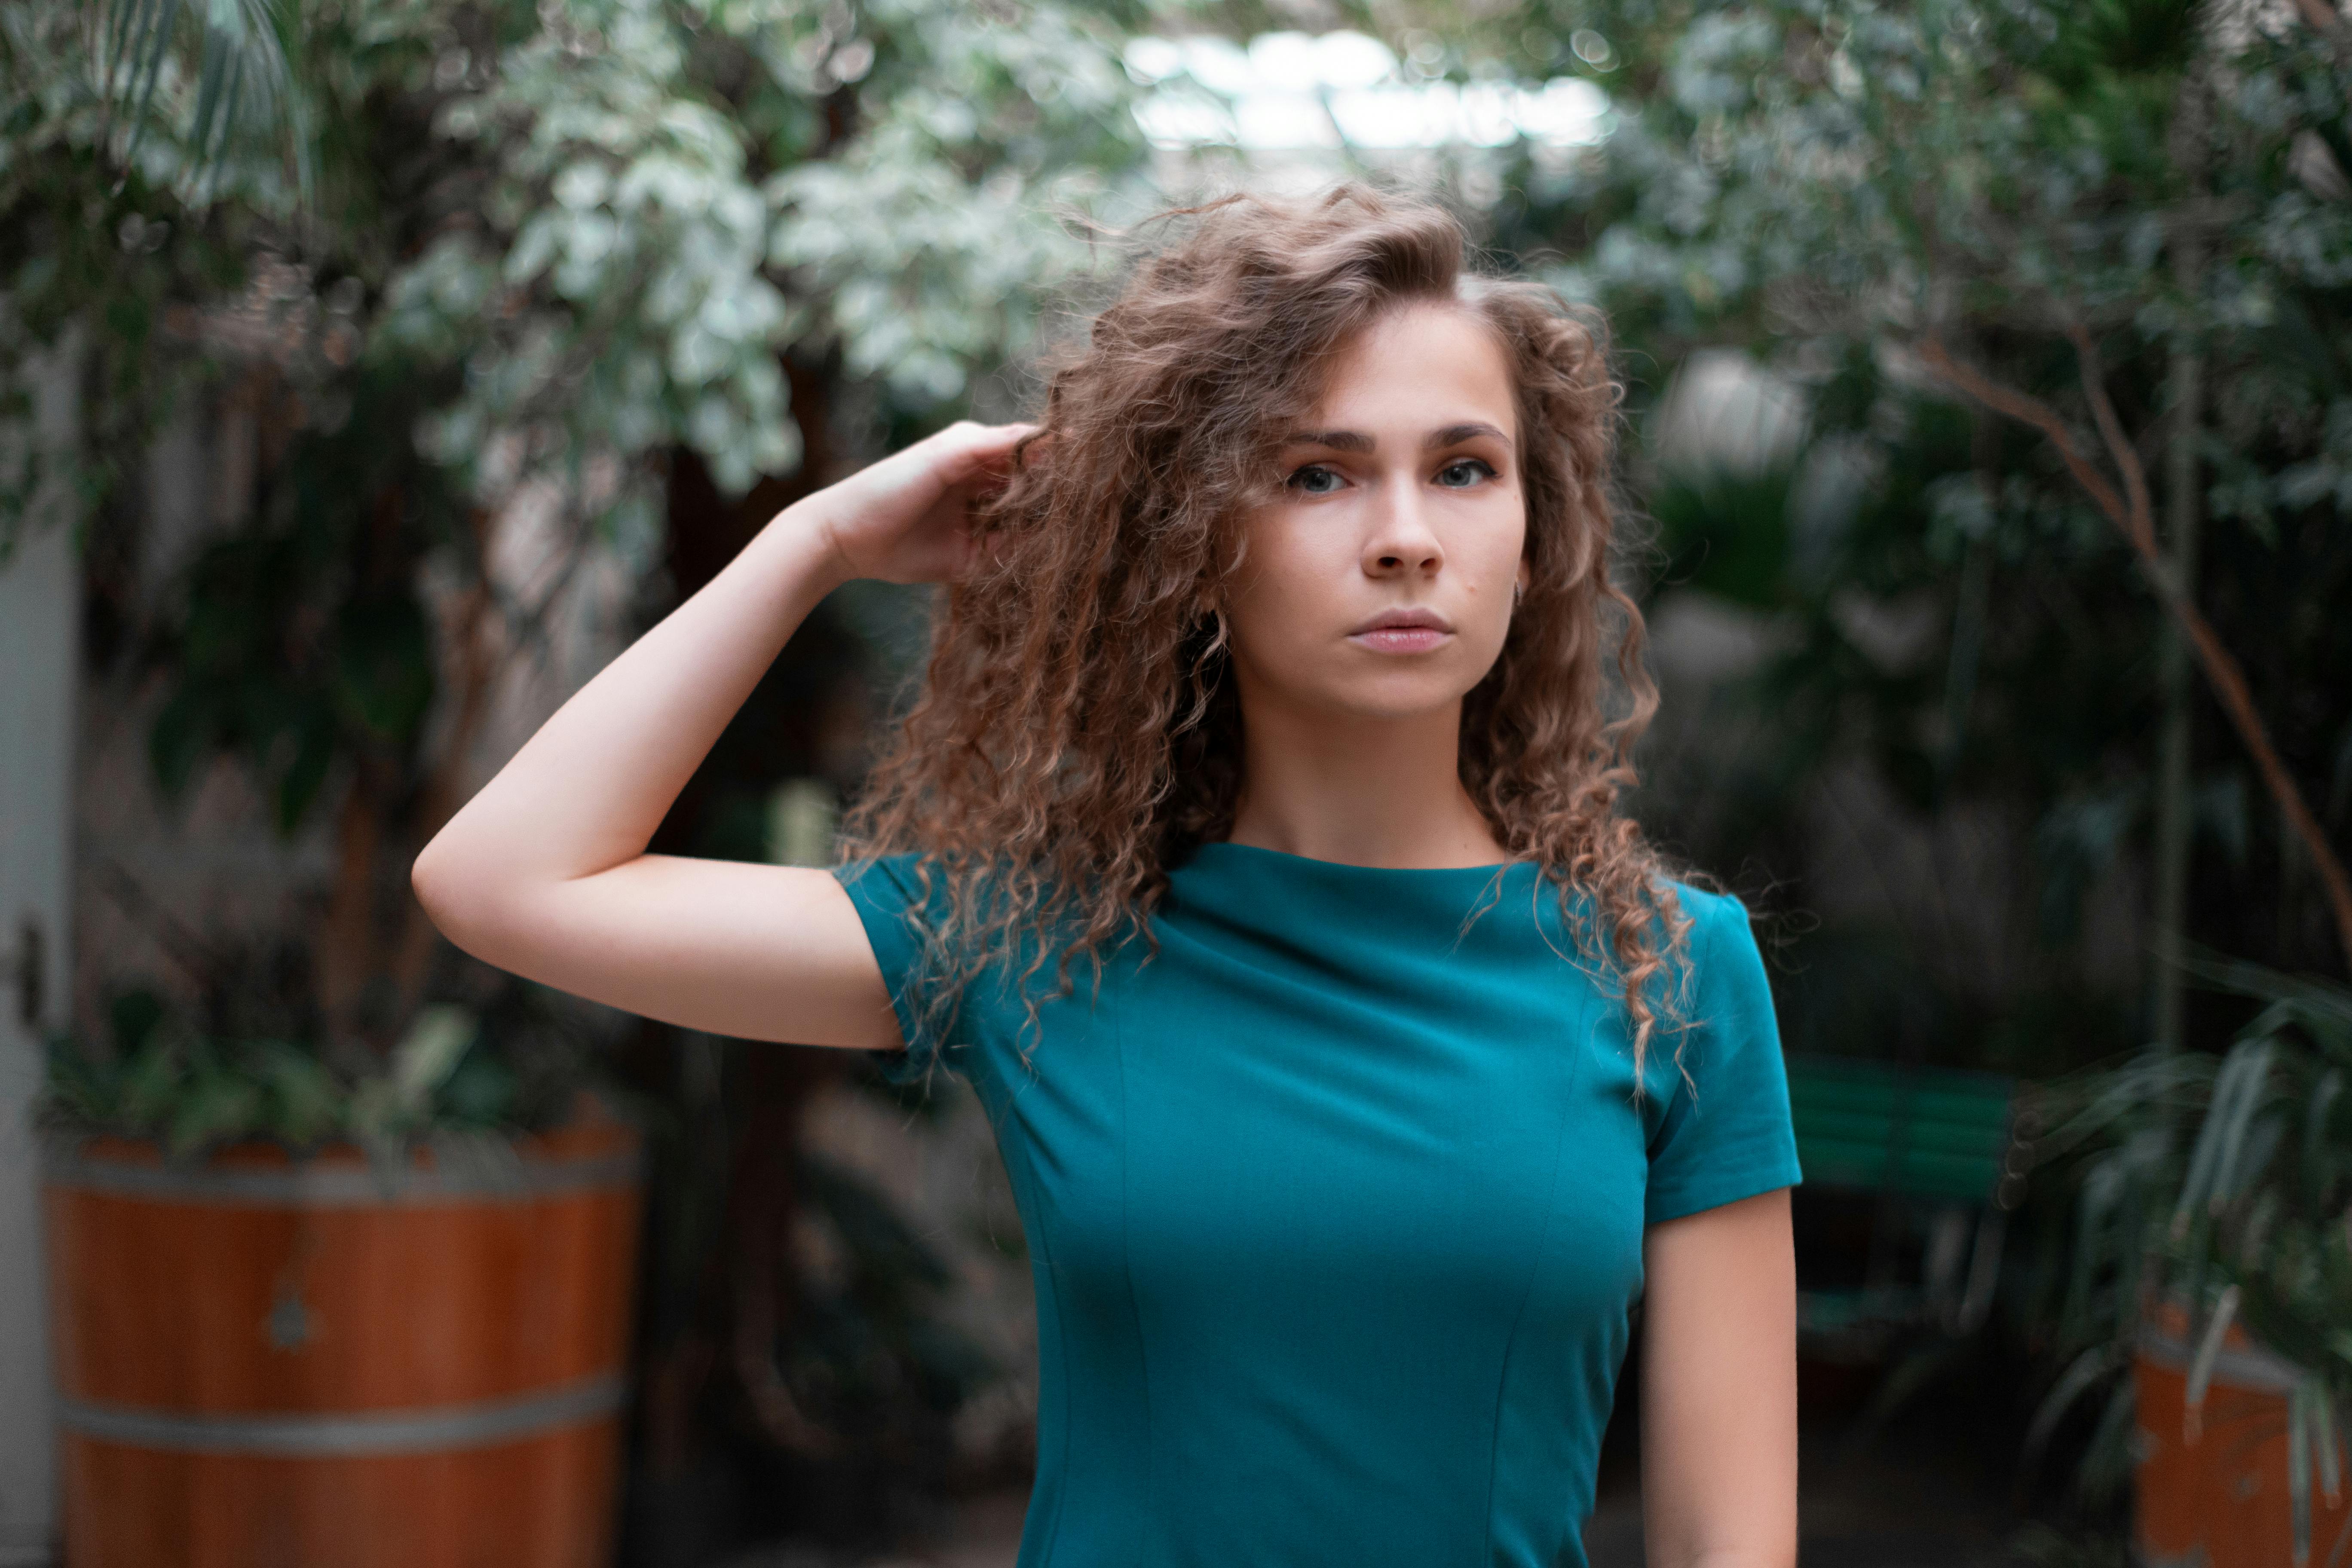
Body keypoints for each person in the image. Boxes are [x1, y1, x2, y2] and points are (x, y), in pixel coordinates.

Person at [413, 184, 1801, 1568]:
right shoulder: (1039, 940)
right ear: (1196, 541)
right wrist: (815, 544)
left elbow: (1731, 1546)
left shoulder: (1670, 974)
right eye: (1316, 472)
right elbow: (503, 881)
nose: (1405, 536)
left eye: (1463, 468)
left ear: (1532, 529)